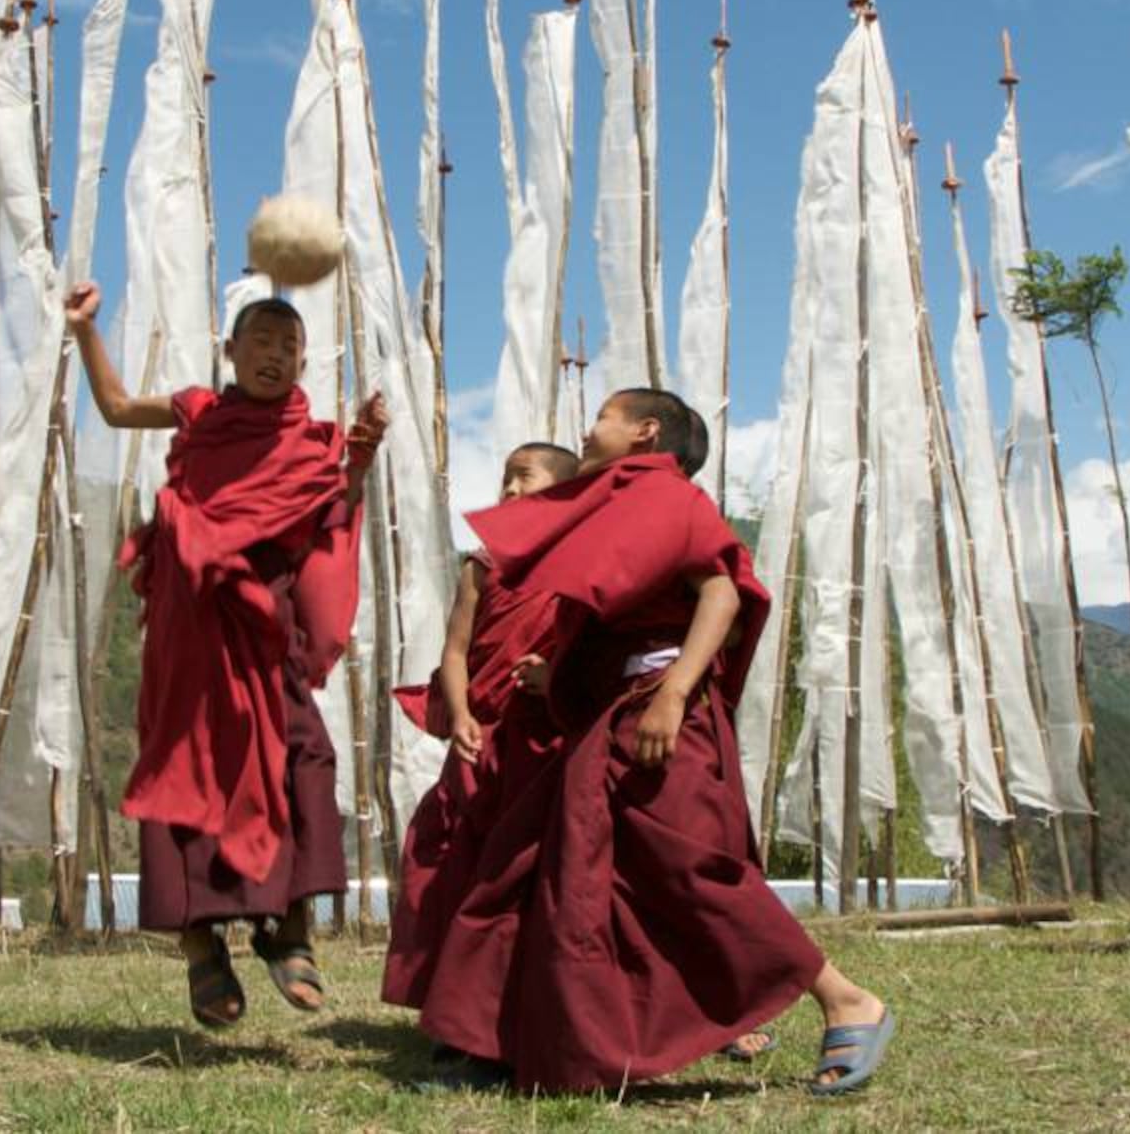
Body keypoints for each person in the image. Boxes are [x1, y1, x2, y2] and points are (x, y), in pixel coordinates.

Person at [417, 389, 895, 1096]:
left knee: (691, 869)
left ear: (644, 433)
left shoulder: (668, 497)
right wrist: (566, 676)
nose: (587, 429)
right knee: (546, 866)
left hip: (659, 712)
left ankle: (846, 998)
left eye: (602, 418)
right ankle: (512, 1044)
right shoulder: (616, 503)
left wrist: (672, 694)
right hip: (609, 715)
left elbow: (722, 595)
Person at [65, 283, 388, 1028]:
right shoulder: (198, 412)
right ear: (230, 350)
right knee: (185, 775)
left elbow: (331, 517)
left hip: (263, 625)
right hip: (191, 633)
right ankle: (199, 945)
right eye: (262, 341)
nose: (276, 356)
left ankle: (289, 928)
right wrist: (86, 329)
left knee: (305, 756)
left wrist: (361, 459)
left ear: (304, 362)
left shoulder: (314, 439)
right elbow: (115, 408)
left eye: (290, 346)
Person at [382, 442, 580, 1012]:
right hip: (481, 734)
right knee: (445, 857)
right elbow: (455, 650)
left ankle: (522, 998)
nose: (512, 490)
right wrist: (463, 712)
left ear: (565, 492)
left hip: (544, 740)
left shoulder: (579, 564)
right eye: (505, 480)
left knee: (527, 865)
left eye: (526, 478)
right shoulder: (484, 563)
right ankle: (448, 999)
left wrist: (555, 674)